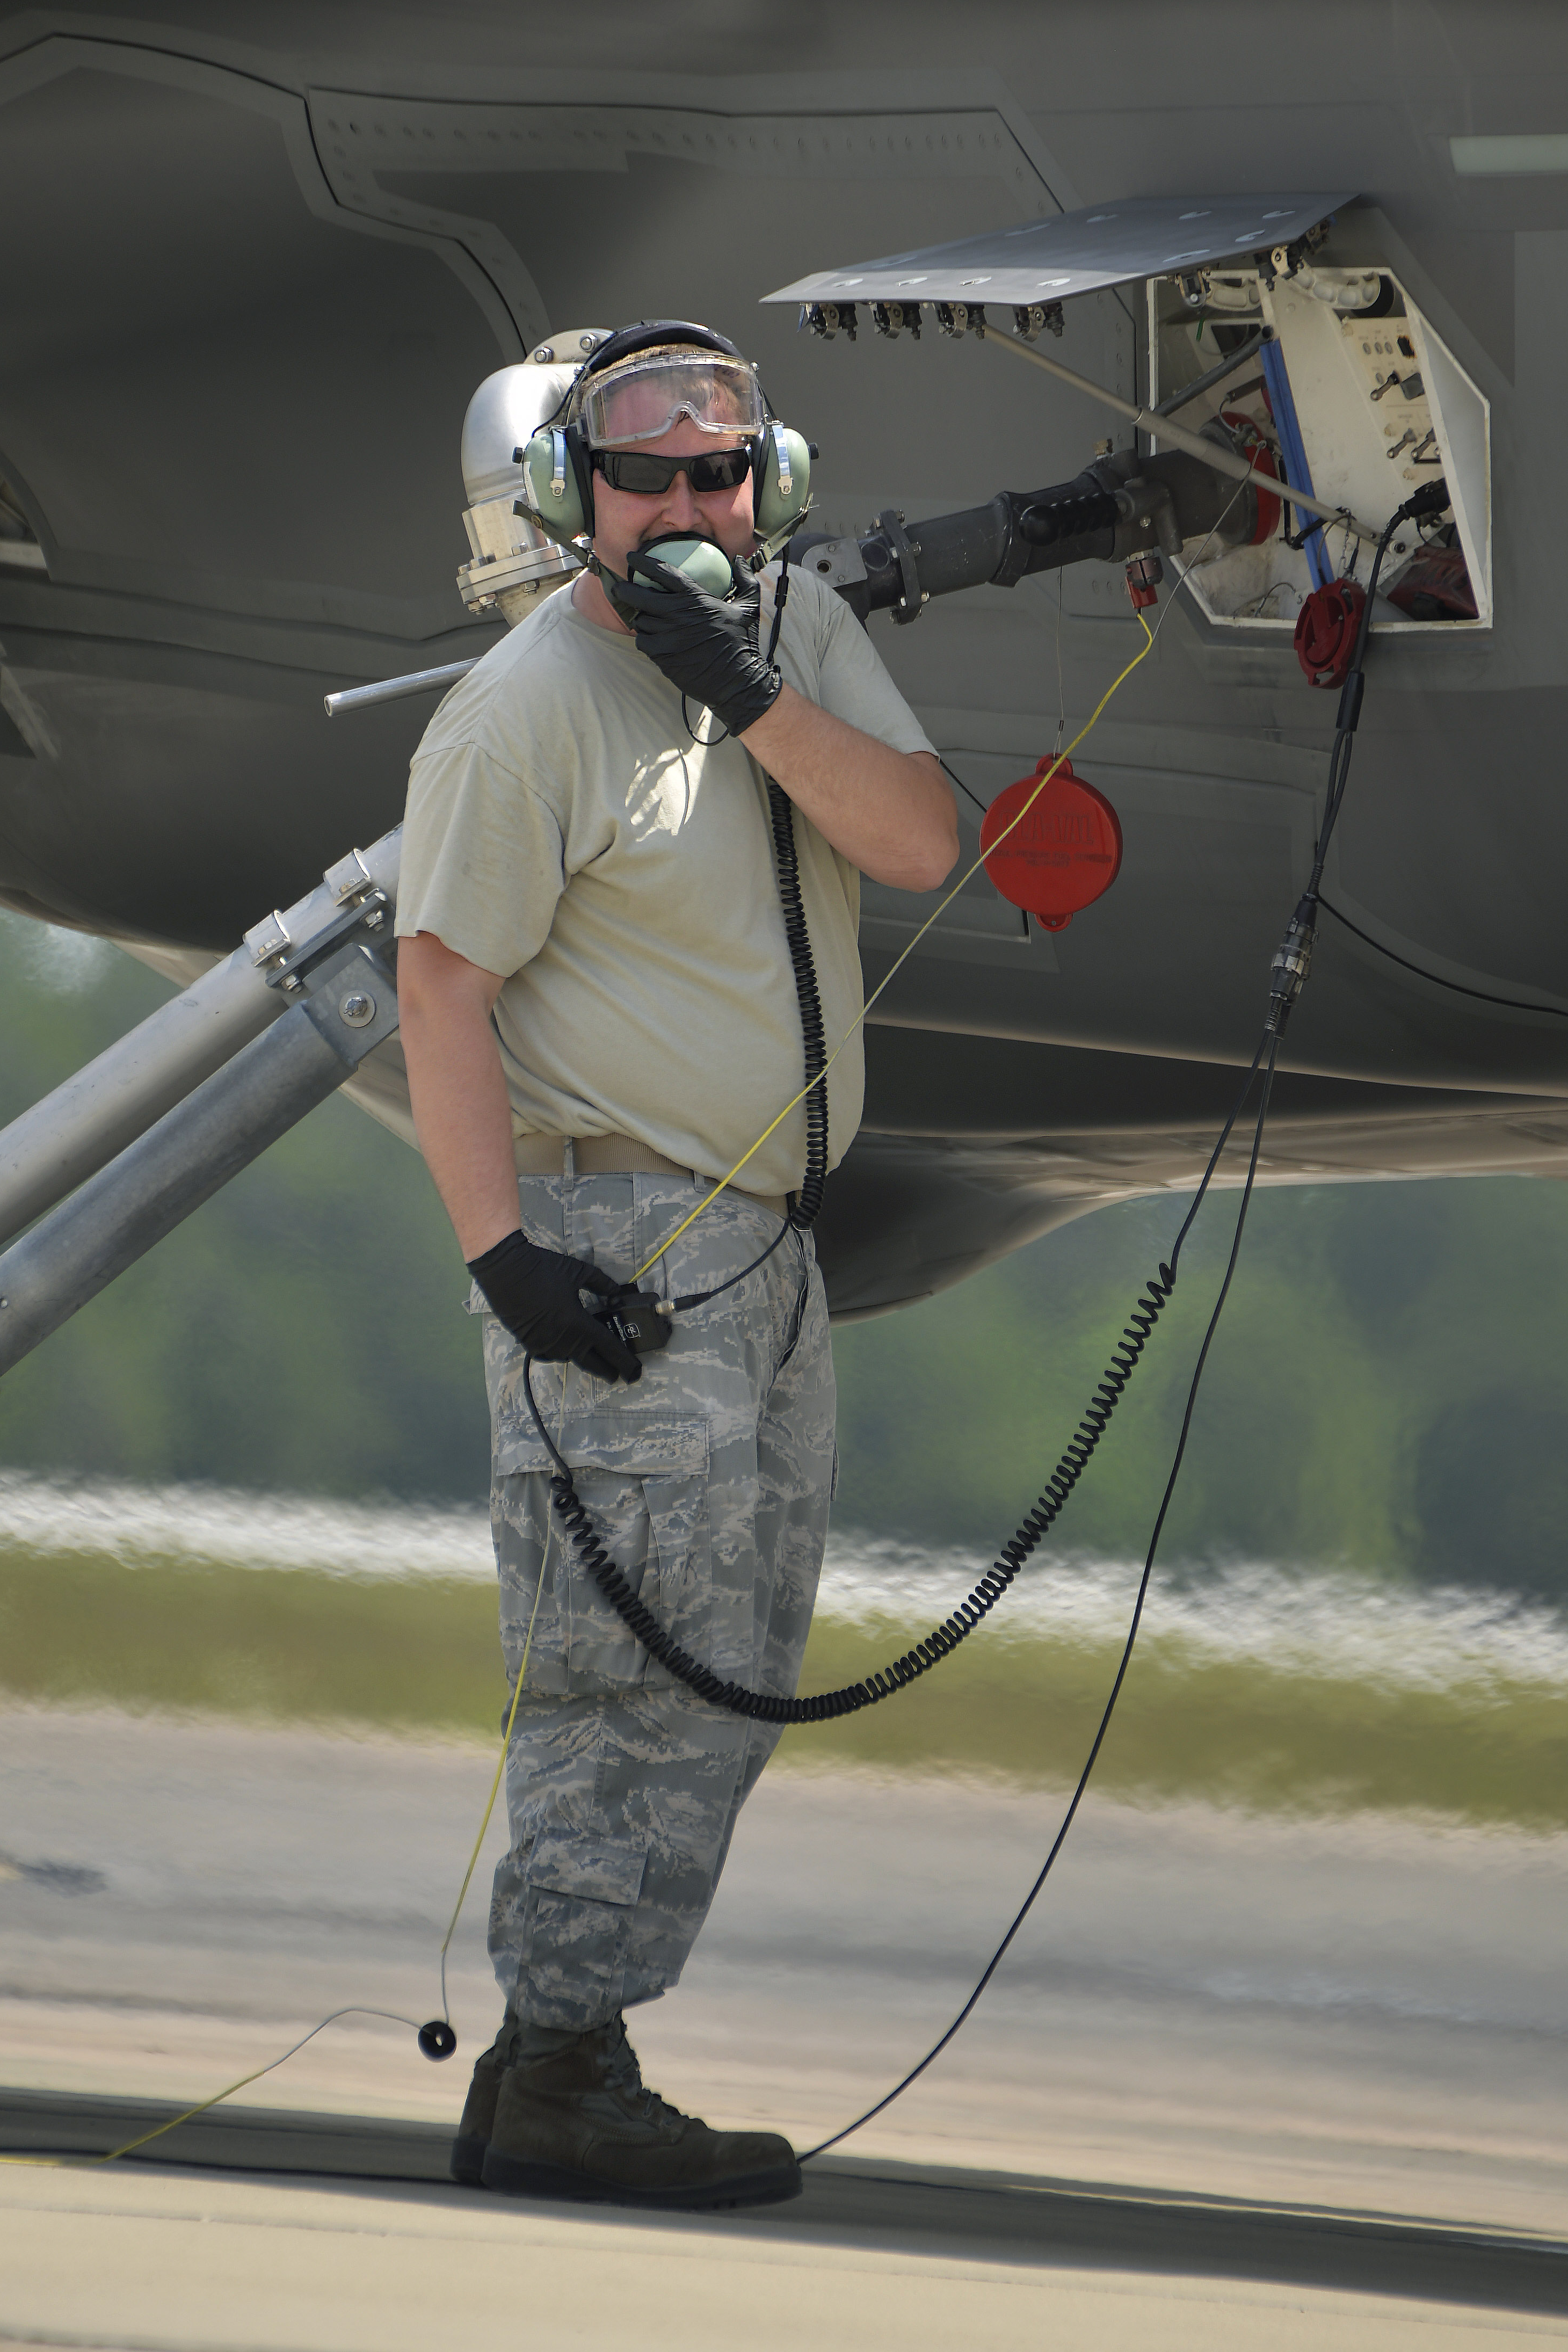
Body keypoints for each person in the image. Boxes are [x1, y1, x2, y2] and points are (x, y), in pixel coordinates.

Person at [394, 322, 958, 2209]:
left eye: (723, 475)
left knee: (731, 1659)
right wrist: (506, 1262)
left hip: (767, 1256)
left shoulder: (790, 639)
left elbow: (917, 835)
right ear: (577, 502)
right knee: (616, 1668)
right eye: (648, 477)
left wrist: (748, 684)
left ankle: (571, 2051)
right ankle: (561, 2063)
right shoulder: (526, 707)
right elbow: (441, 979)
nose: (692, 505)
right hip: (616, 1239)